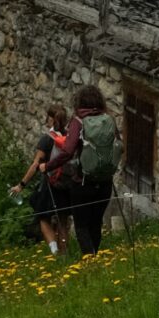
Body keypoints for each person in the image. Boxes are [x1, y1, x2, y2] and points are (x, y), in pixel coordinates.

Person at [49, 85, 118, 257]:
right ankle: (94, 257)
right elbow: (118, 145)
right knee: (96, 223)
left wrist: (47, 166)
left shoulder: (78, 121)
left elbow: (68, 151)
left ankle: (90, 261)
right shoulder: (108, 119)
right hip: (105, 181)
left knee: (81, 225)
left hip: (83, 182)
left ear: (79, 103)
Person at [18, 103, 70, 257]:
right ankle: (65, 253)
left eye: (48, 117)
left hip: (49, 184)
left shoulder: (47, 140)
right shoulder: (69, 137)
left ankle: (54, 251)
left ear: (52, 120)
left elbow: (35, 164)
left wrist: (21, 185)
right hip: (66, 184)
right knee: (62, 219)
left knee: (43, 217)